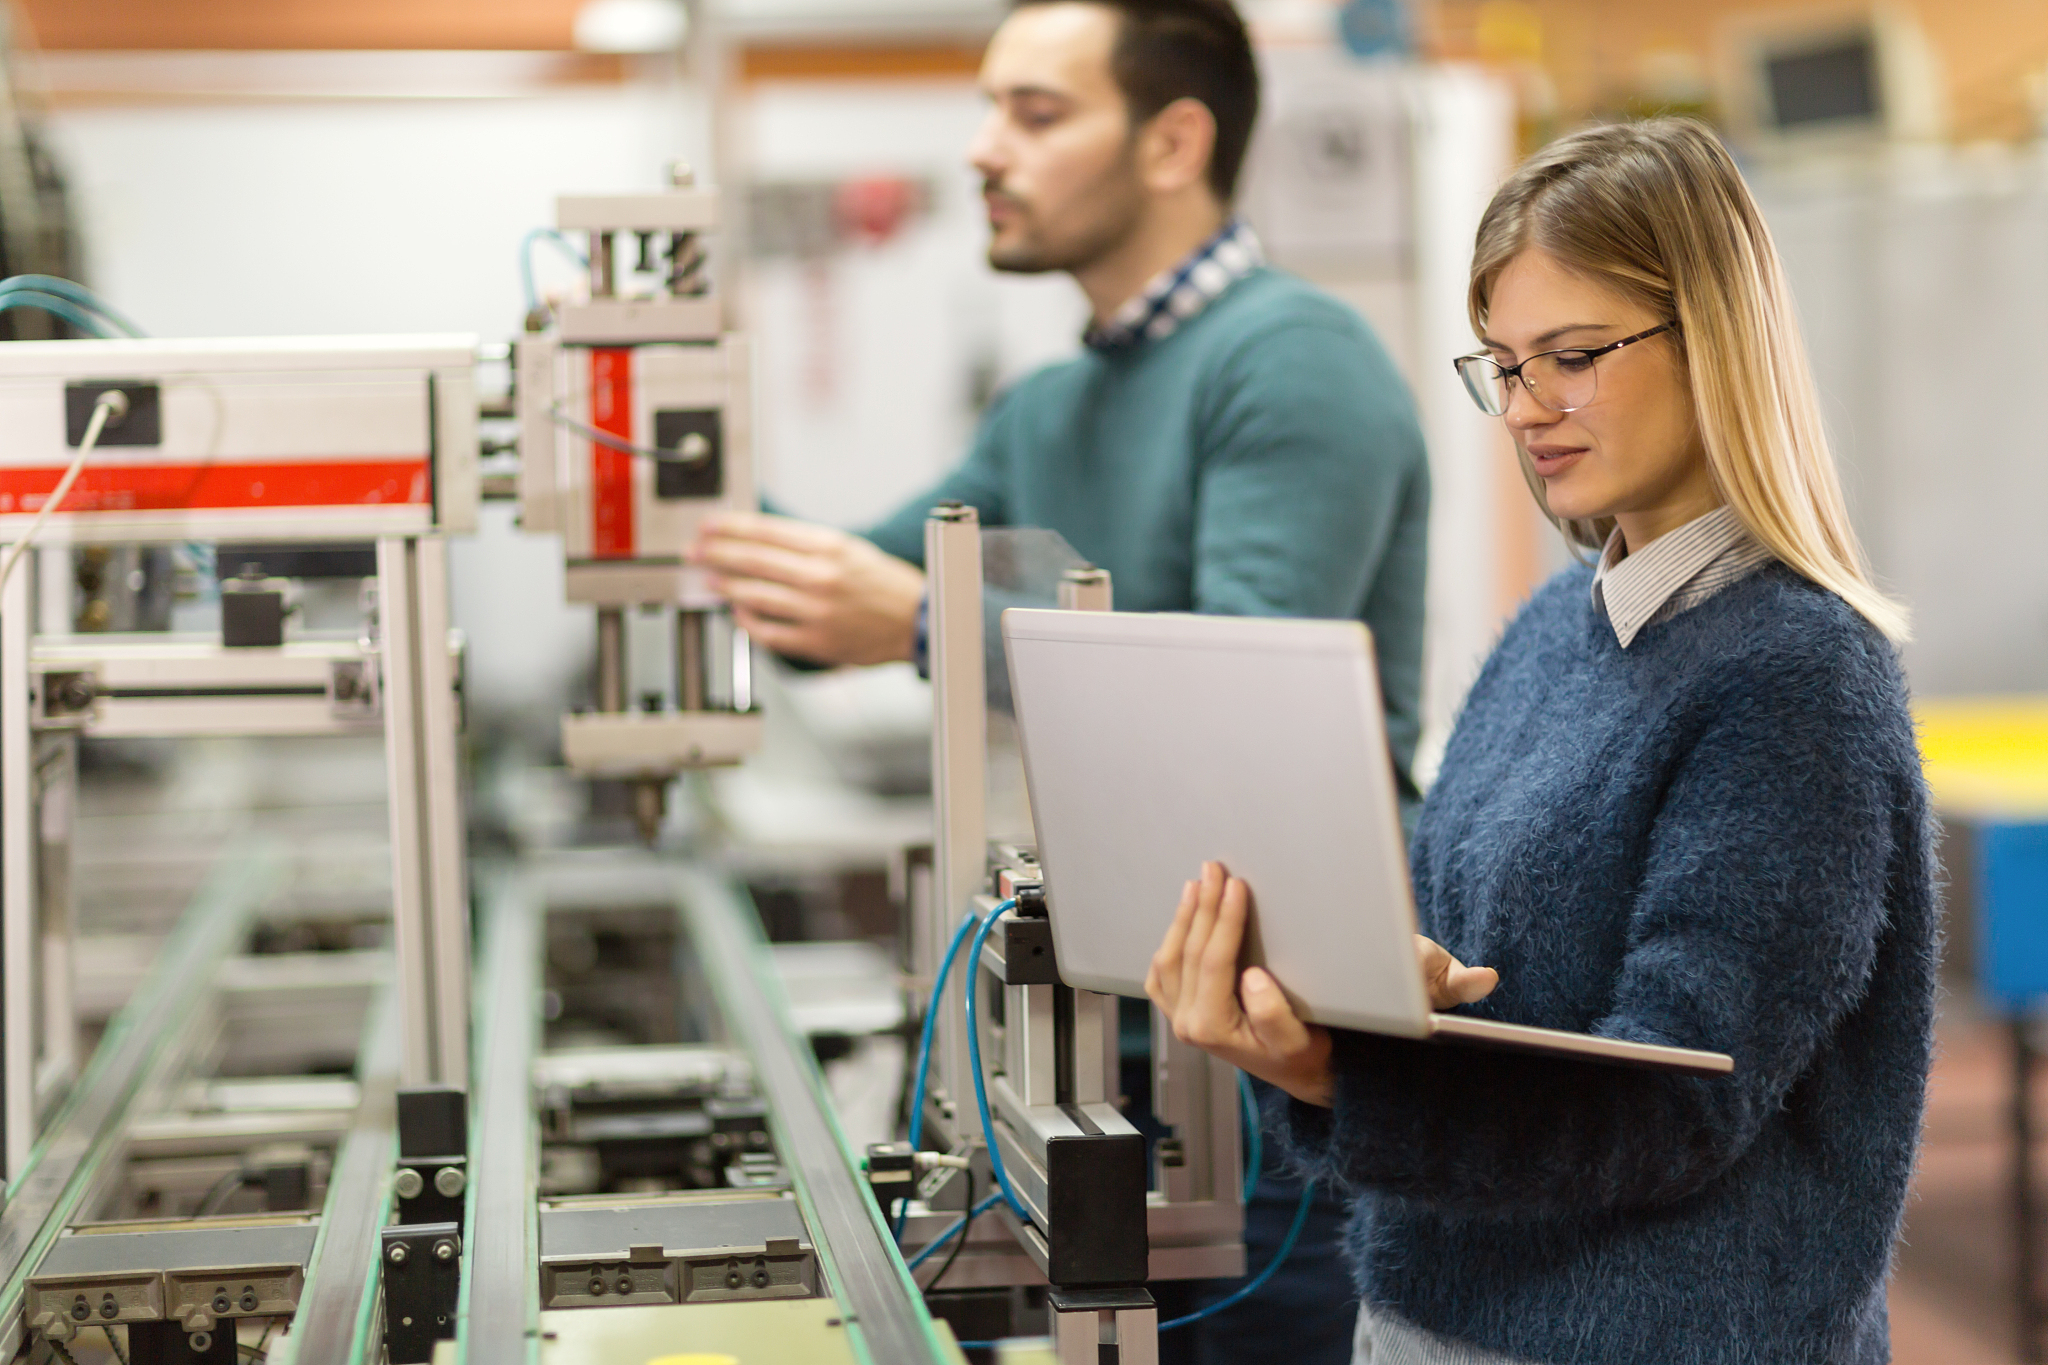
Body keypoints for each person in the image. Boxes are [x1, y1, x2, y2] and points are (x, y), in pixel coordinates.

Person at [689, 1, 1429, 1358]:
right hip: (1106, 1033)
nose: (982, 149)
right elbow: (830, 598)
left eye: (1034, 113)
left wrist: (924, 621)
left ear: (1173, 142)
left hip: (1273, 1059)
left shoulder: (1293, 361)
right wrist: (667, 429)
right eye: (988, 109)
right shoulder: (1049, 406)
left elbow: (1239, 689)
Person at [1144, 116, 1937, 1365]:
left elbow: (1674, 1104)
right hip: (1428, 1318)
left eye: (1569, 357)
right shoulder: (1547, 635)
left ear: (1711, 339)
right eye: (1502, 367)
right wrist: (1347, 990)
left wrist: (1340, 1081)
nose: (1525, 409)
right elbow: (1475, 970)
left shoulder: (1795, 677)